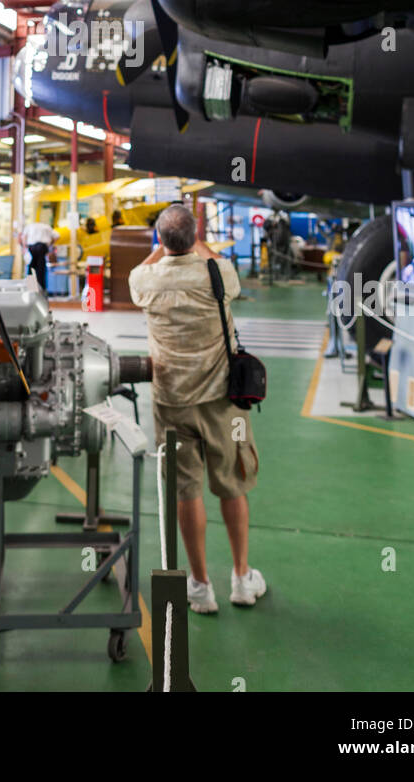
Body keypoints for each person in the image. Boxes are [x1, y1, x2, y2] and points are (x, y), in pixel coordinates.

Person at [129, 203, 266, 614]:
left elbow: (147, 265)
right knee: (233, 483)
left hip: (171, 404)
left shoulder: (144, 280)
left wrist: (161, 246)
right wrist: (195, 238)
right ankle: (241, 578)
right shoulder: (218, 274)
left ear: (159, 240)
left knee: (186, 491)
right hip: (224, 403)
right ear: (195, 236)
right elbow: (211, 257)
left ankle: (201, 585)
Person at [23, 218, 57, 292]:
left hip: (32, 248)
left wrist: (25, 248)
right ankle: (41, 288)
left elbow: (24, 237)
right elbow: (57, 236)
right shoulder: (47, 226)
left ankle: (31, 288)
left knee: (31, 267)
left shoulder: (29, 226)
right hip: (42, 247)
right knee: (41, 268)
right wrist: (50, 244)